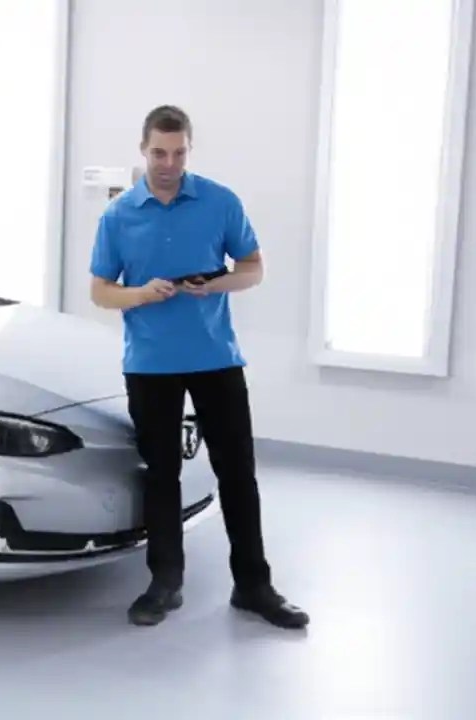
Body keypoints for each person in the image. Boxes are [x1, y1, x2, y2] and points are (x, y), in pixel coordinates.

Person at [89, 105, 309, 630]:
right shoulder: (118, 217)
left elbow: (253, 269)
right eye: (159, 152)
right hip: (149, 365)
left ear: (189, 149)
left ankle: (254, 586)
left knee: (238, 474)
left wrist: (216, 284)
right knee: (161, 476)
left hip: (216, 359)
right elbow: (100, 291)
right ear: (143, 150)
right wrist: (140, 293)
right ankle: (165, 583)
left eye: (179, 152)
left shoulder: (220, 201)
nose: (169, 163)